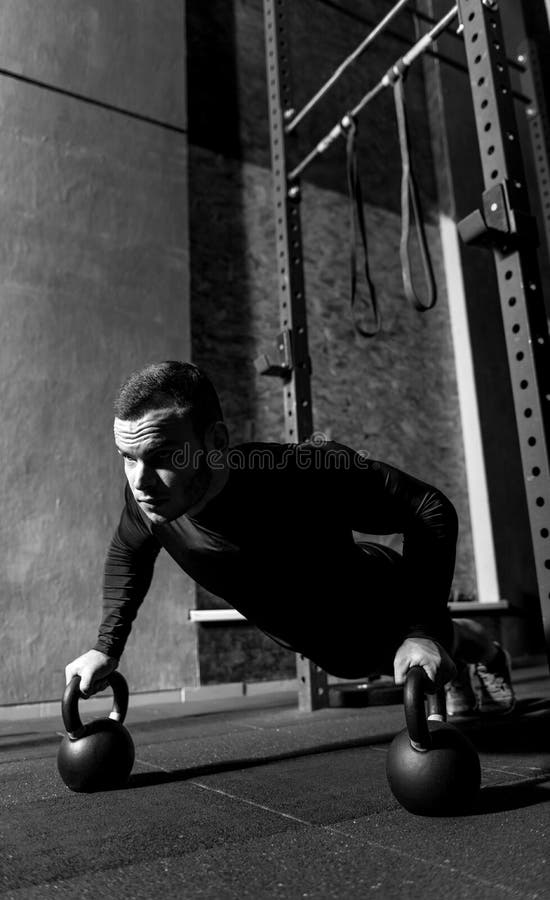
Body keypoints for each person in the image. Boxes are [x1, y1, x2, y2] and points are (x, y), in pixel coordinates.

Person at [65, 361, 515, 717]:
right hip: (333, 647)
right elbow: (129, 551)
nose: (140, 481)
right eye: (127, 458)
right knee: (364, 659)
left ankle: (489, 655)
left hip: (379, 598)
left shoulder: (302, 472)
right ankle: (449, 648)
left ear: (216, 440)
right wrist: (106, 647)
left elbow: (428, 508)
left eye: (162, 456)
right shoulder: (149, 502)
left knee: (439, 640)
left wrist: (422, 631)